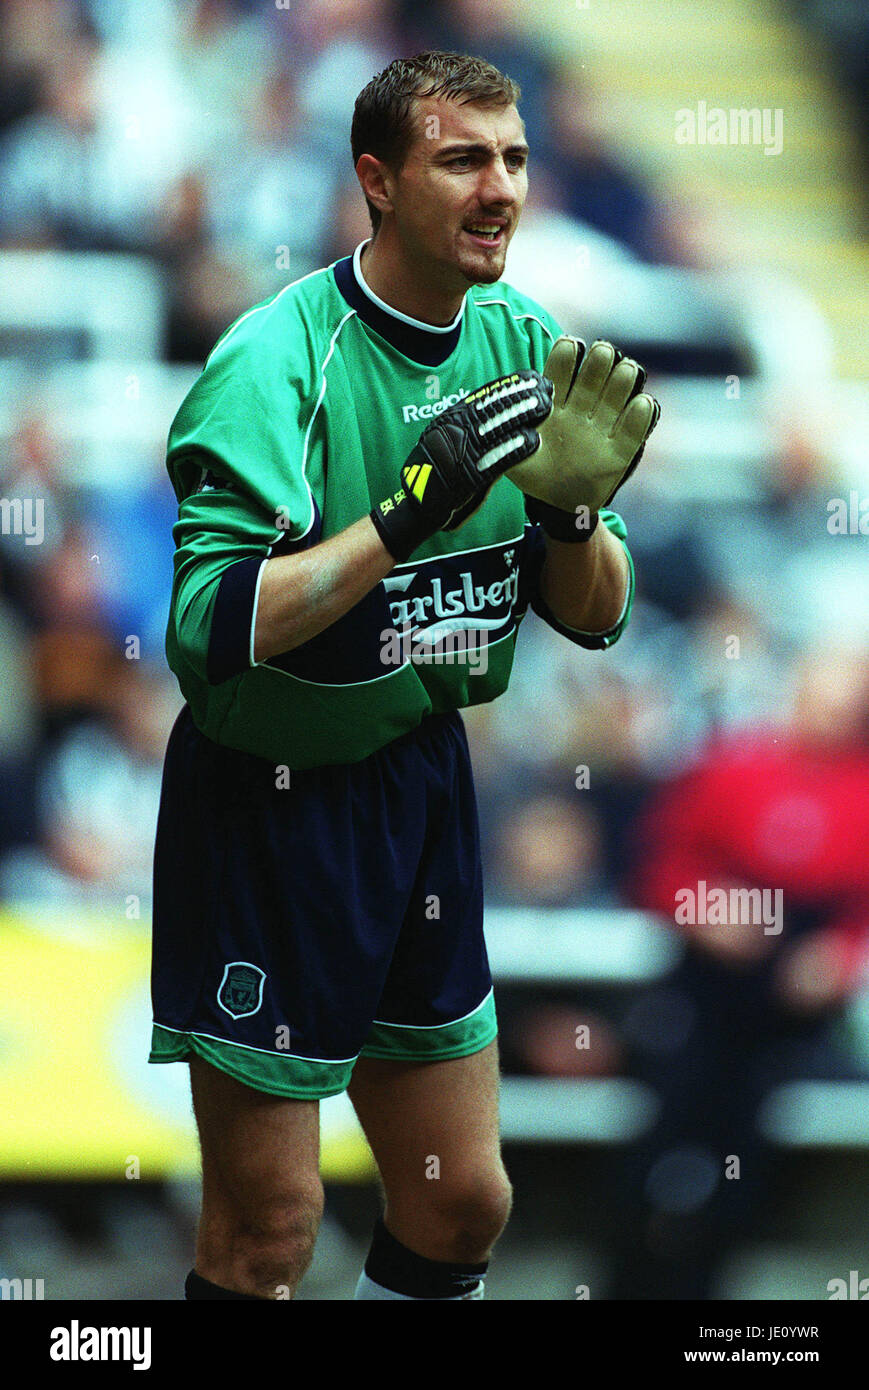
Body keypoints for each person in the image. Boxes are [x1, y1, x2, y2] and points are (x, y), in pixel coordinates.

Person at [148, 50, 658, 1301]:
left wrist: (573, 520)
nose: (500, 190)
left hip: (418, 790)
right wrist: (401, 518)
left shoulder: (527, 342)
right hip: (267, 804)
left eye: (515, 159)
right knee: (268, 1233)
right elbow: (207, 625)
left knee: (459, 1203)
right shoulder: (276, 360)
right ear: (376, 181)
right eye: (462, 159)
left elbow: (595, 620)